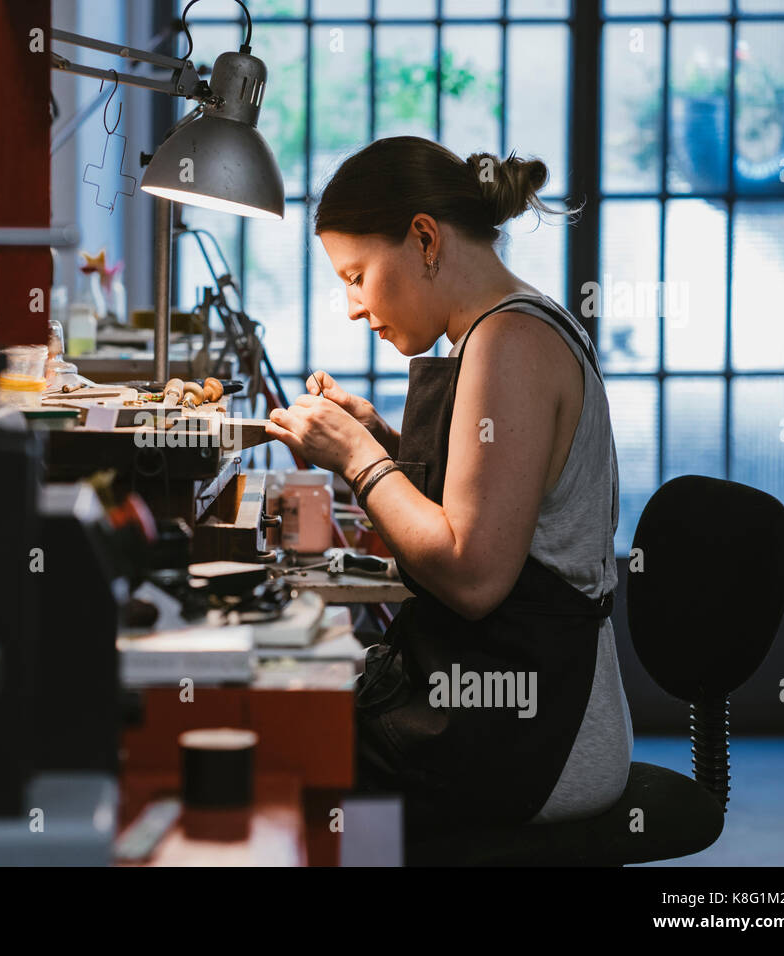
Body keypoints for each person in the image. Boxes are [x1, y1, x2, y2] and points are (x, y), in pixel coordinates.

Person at [265, 136, 632, 828]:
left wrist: (358, 460)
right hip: (520, 703)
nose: (351, 306)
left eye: (356, 276)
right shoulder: (508, 326)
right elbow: (495, 497)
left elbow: (471, 573)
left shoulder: (507, 344)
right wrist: (381, 439)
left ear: (425, 239)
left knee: (287, 760)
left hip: (536, 730)